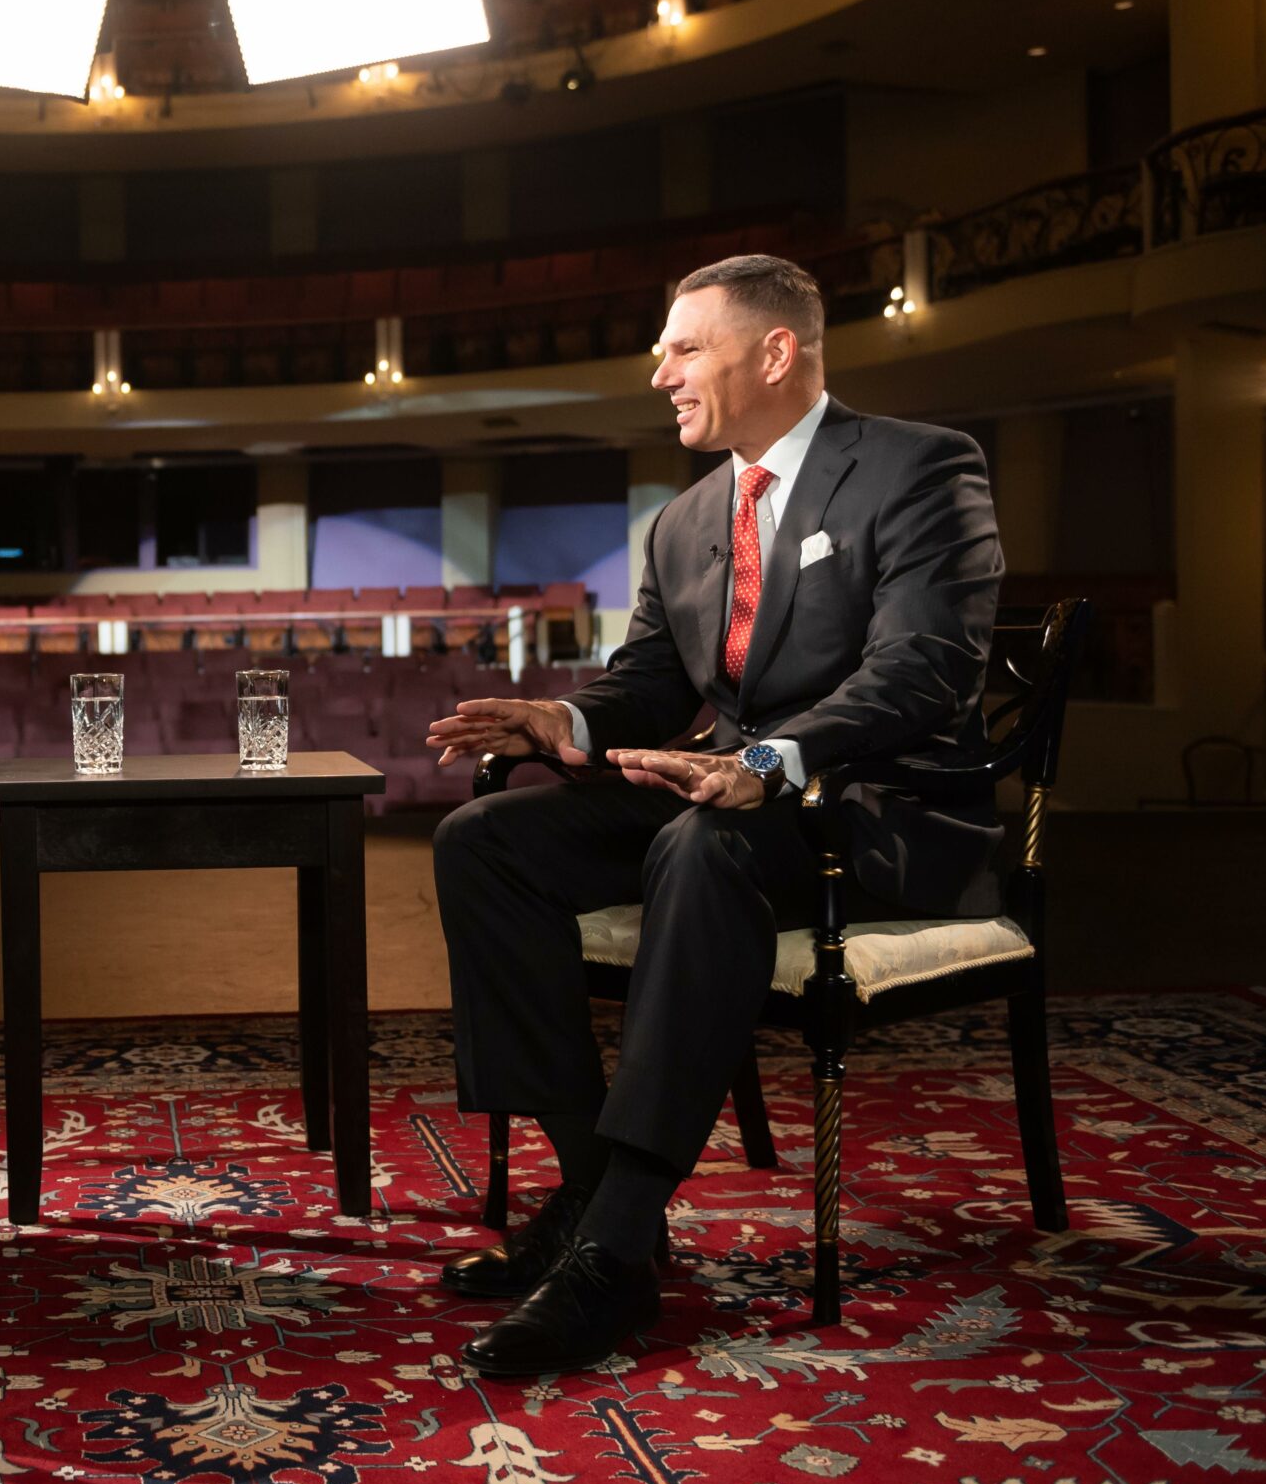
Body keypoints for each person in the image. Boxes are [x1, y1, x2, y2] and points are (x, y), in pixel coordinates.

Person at [425, 254, 1004, 1377]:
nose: (659, 374)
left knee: (701, 844)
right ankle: (596, 1199)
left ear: (773, 352)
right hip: (728, 800)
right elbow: (646, 683)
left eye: (682, 348)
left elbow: (924, 668)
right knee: (484, 842)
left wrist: (775, 759)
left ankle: (618, 1240)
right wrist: (563, 722)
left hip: (874, 809)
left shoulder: (920, 467)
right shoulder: (686, 519)